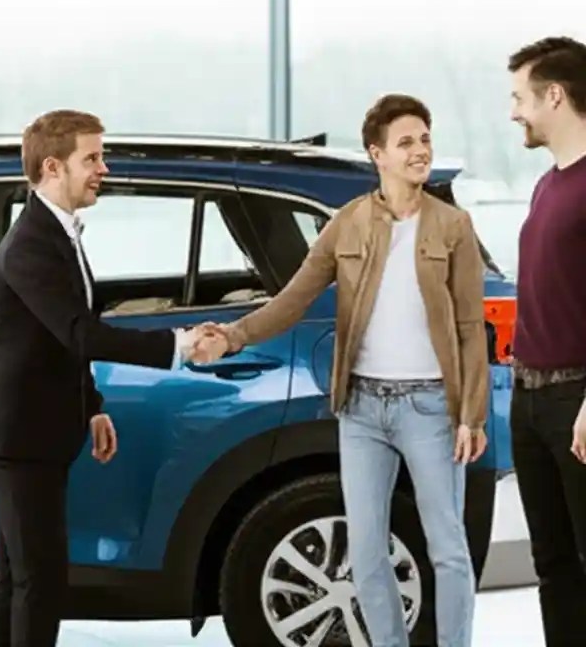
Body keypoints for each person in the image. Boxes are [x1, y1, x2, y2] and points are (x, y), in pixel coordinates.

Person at [197, 94, 488, 647]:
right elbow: (293, 298)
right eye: (406, 142)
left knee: (447, 548)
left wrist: (470, 415)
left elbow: (471, 329)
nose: (420, 151)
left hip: (430, 407)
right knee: (367, 547)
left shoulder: (453, 226)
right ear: (377, 153)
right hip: (361, 410)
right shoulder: (349, 224)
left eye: (425, 139)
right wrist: (233, 336)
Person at [0, 109, 209, 647]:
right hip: (19, 437)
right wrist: (180, 346)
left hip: (36, 433)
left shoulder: (56, 233)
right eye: (92, 158)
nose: (105, 168)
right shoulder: (31, 244)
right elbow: (81, 333)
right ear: (53, 167)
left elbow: (60, 338)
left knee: (18, 578)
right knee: (40, 581)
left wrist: (92, 405)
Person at [505, 35, 586, 646]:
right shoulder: (546, 185)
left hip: (577, 401)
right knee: (553, 567)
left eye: (520, 97)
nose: (514, 113)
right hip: (528, 398)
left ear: (554, 95)